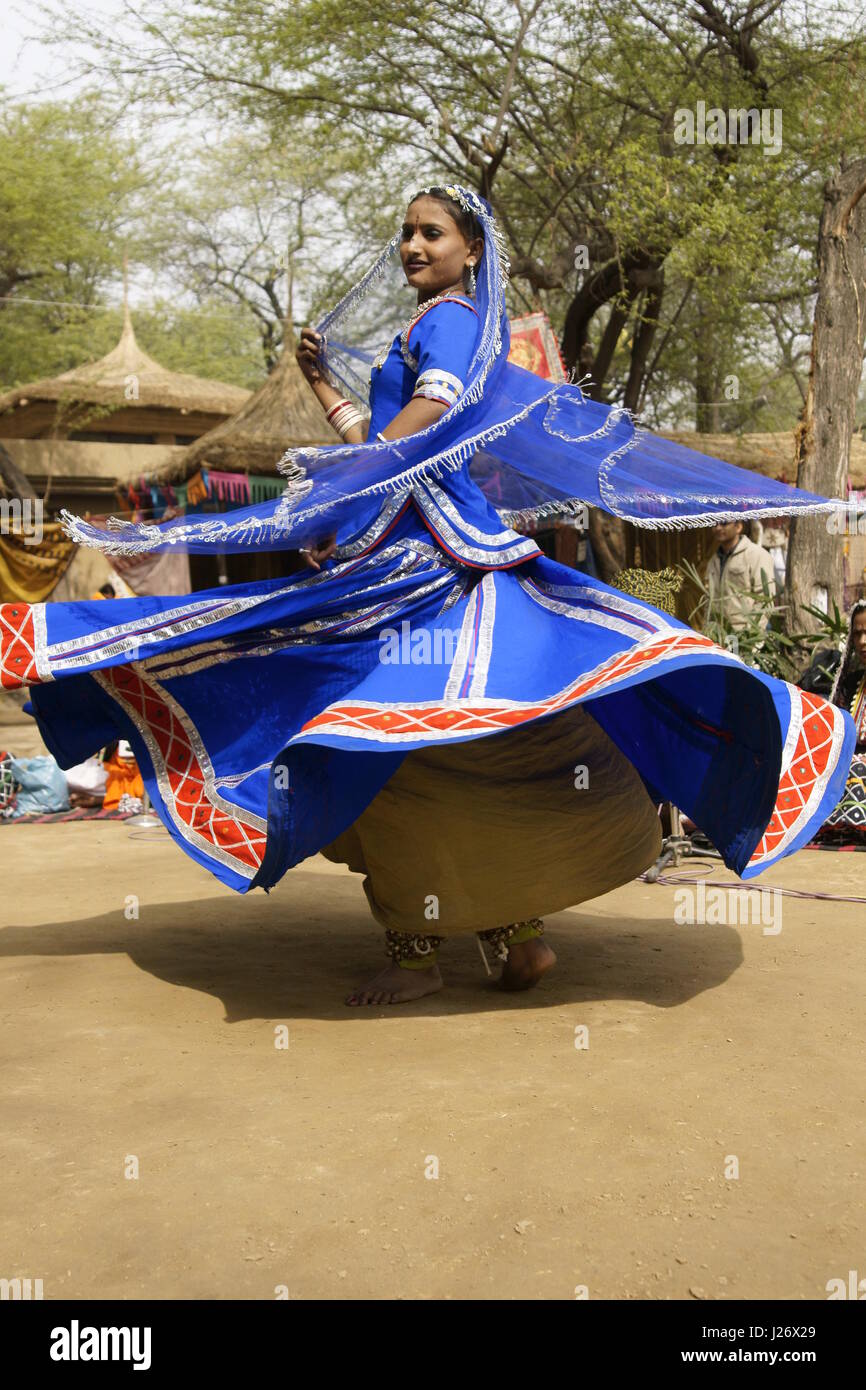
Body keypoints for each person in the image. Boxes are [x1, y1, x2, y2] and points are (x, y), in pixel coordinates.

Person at [0, 184, 856, 1006]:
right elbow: (390, 436)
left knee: (387, 749)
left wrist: (349, 466)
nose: (412, 245)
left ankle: (423, 954)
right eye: (406, 232)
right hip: (430, 549)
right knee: (462, 742)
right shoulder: (438, 325)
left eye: (432, 233)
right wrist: (331, 395)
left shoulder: (449, 323)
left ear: (471, 251)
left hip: (428, 560)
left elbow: (433, 411)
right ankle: (517, 936)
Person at [820, 599, 866, 838]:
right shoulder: (850, 685)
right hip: (852, 767)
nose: (862, 642)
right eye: (857, 634)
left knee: (857, 769)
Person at [705, 519, 776, 631]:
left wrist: (753, 637)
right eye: (714, 524)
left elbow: (765, 600)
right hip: (720, 635)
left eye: (724, 523)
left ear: (738, 526)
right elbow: (709, 601)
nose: (718, 528)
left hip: (746, 636)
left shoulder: (757, 555)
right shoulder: (713, 561)